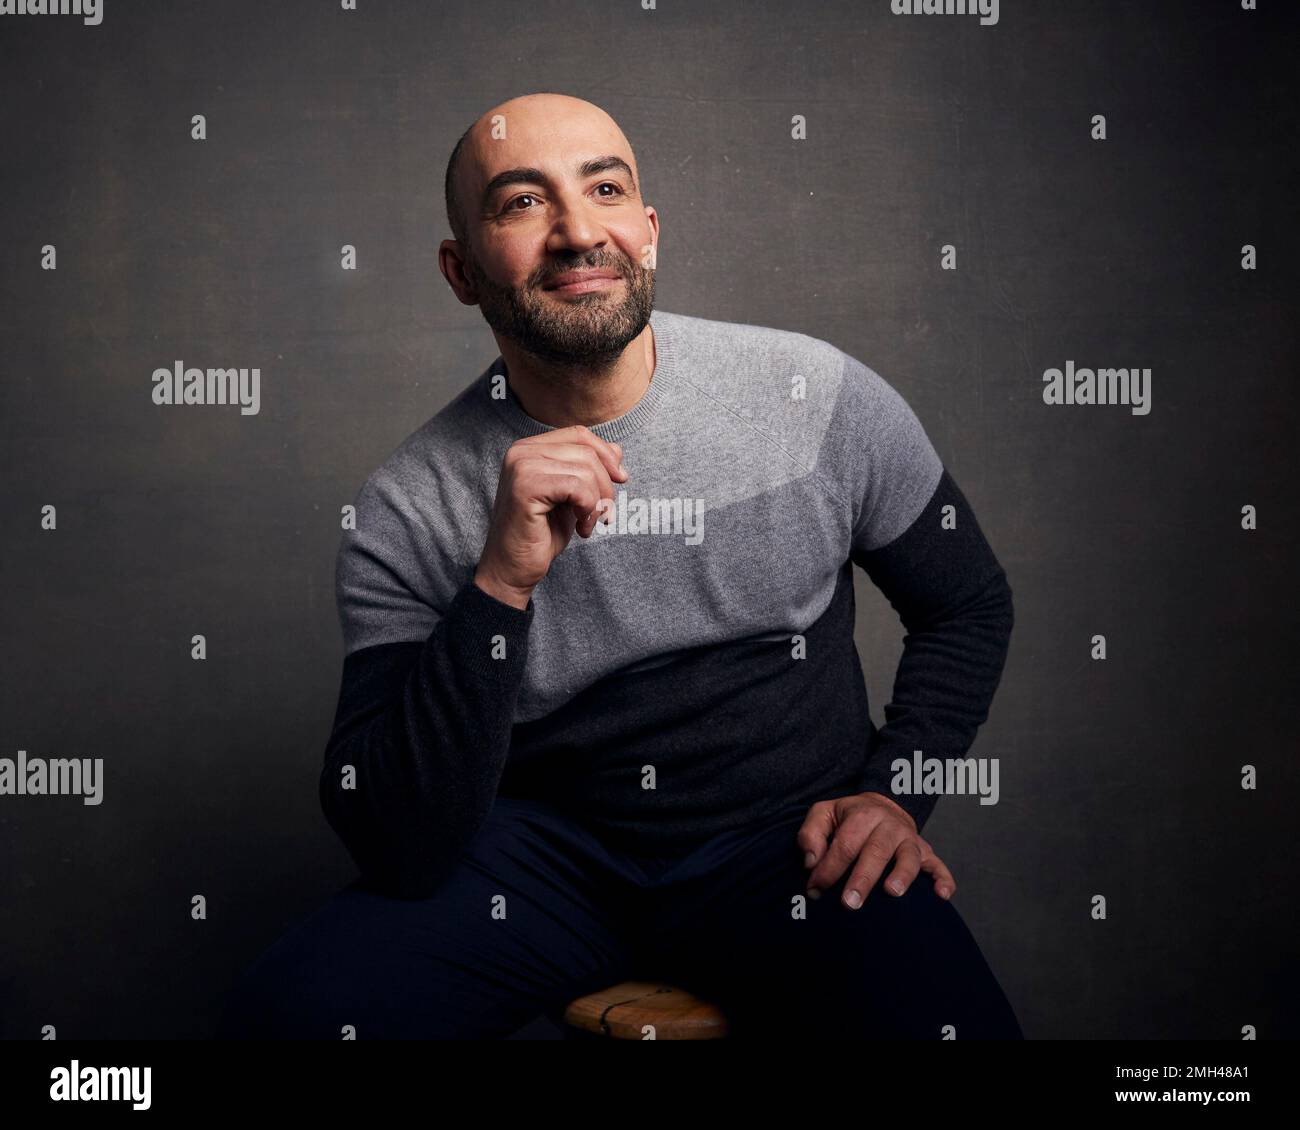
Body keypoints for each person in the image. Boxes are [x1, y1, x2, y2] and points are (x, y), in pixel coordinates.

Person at [217, 91, 1023, 1040]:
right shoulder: (406, 505)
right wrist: (500, 584)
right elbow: (394, 839)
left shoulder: (817, 396)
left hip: (787, 844)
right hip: (548, 866)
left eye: (604, 190)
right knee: (289, 1020)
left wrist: (895, 791)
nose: (574, 232)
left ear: (646, 233)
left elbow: (967, 603)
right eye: (521, 203)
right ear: (460, 270)